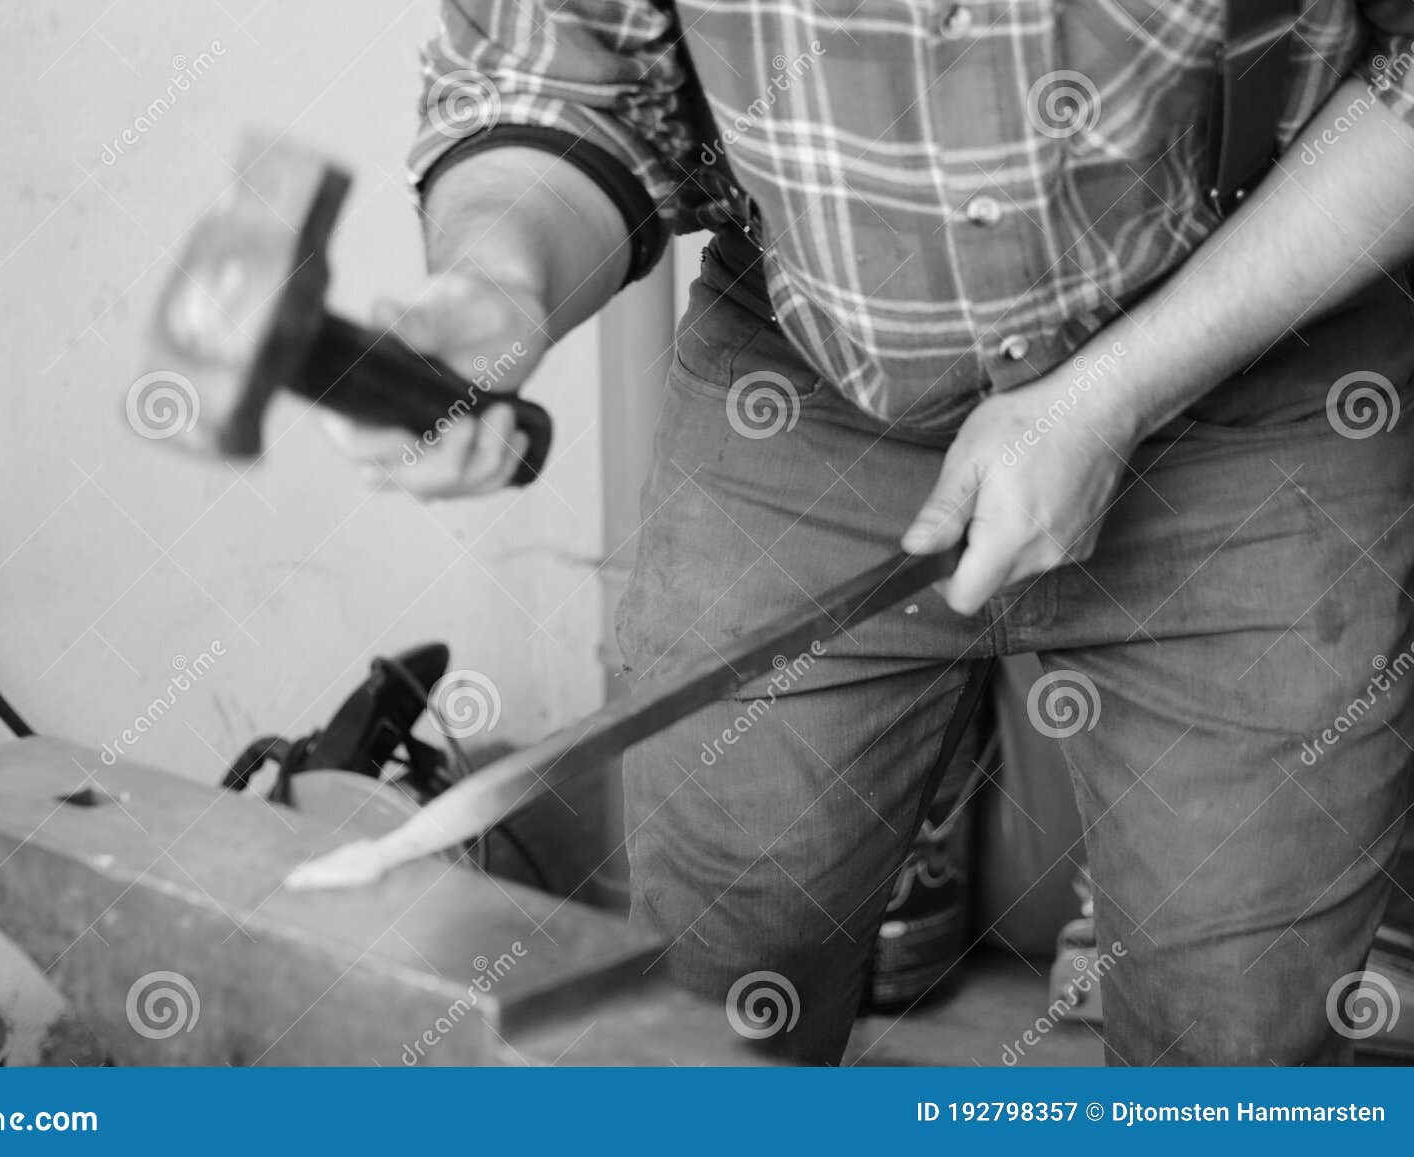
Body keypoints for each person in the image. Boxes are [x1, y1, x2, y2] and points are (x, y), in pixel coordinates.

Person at [329, 1, 1414, 1064]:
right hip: (806, 392)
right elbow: (563, 73)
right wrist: (497, 282)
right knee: (713, 999)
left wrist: (1114, 392)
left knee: (1232, 1045)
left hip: (1268, 380)